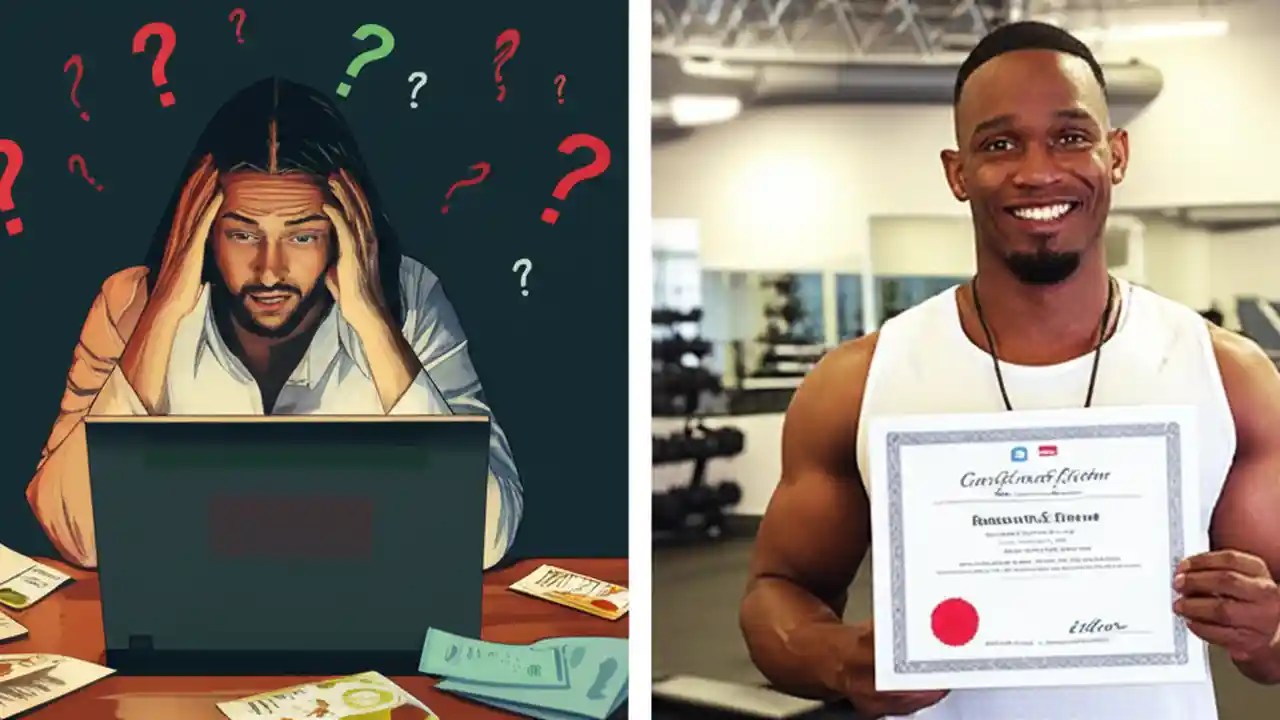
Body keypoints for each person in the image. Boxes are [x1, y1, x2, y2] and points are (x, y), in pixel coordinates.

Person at [740, 21, 1280, 720]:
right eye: (999, 144)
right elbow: (776, 590)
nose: (1038, 171)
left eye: (1069, 136)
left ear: (1115, 154)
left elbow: (1272, 650)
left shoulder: (1229, 376)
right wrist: (834, 656)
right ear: (957, 170)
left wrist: (1265, 627)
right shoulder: (857, 382)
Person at [27, 77, 523, 571]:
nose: (269, 270)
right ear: (200, 230)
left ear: (347, 230)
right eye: (243, 233)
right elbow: (77, 536)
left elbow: (483, 538)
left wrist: (374, 323)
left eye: (303, 237)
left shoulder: (410, 302)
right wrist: (161, 314)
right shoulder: (129, 305)